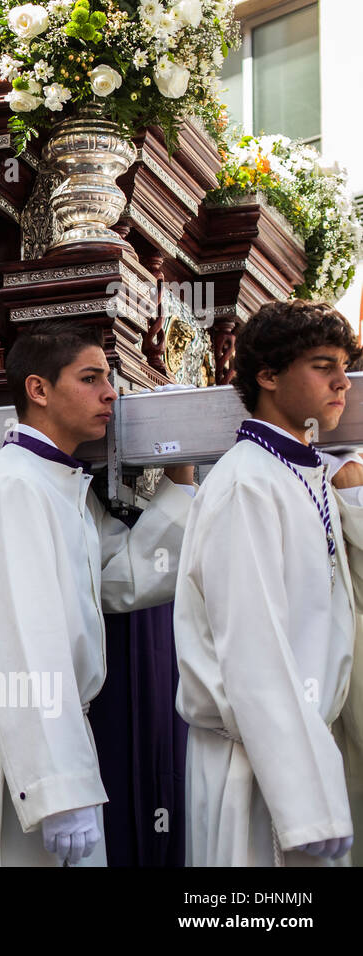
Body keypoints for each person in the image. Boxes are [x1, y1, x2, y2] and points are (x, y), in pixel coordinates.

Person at [0, 321, 195, 867]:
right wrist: (56, 787)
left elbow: (120, 579)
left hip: (51, 733)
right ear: (39, 390)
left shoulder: (56, 483)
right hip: (14, 744)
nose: (110, 393)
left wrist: (181, 483)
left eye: (109, 379)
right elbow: (22, 641)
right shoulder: (13, 485)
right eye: (91, 378)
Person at [175, 299, 363, 866]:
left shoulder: (307, 474)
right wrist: (306, 799)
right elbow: (254, 653)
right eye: (322, 366)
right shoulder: (246, 484)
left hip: (306, 753)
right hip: (260, 768)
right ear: (269, 376)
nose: (342, 383)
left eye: (345, 368)